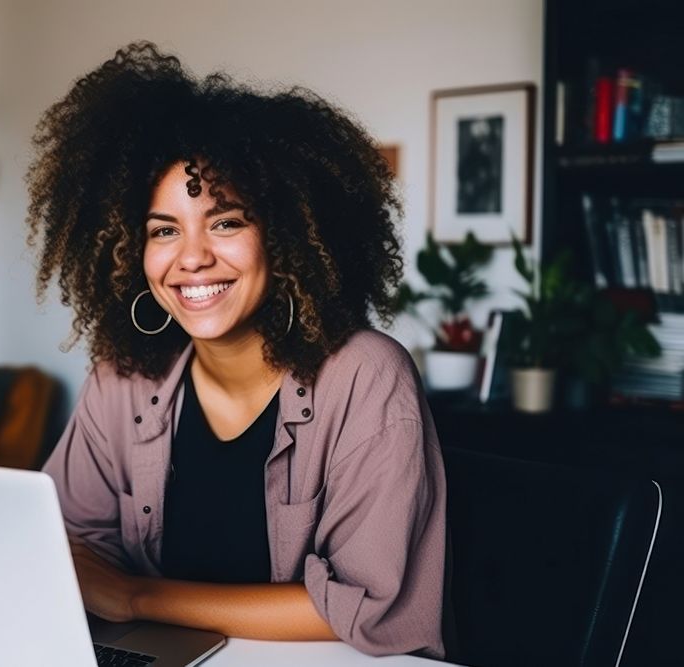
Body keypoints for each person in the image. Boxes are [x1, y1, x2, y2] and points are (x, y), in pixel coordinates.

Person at [28, 41, 446, 658]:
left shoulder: (365, 376)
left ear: (285, 238)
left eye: (226, 222)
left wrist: (136, 596)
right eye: (164, 230)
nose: (192, 258)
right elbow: (62, 541)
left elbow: (364, 606)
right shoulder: (122, 379)